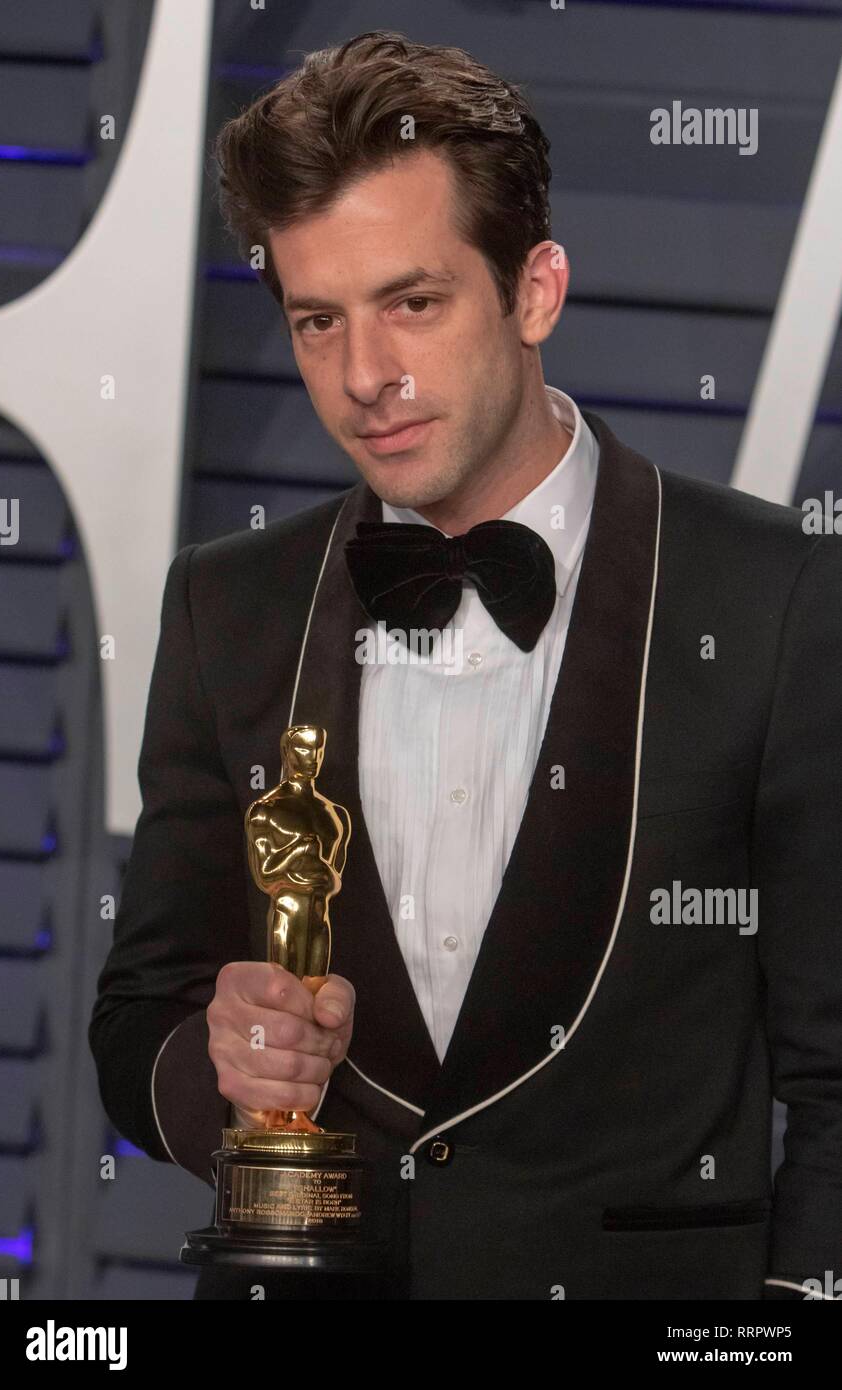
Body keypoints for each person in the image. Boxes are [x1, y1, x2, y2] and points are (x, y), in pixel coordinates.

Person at [89, 29, 842, 1301]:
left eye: (413, 303)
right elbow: (134, 1019)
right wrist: (218, 1063)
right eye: (316, 319)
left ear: (534, 290)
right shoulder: (227, 605)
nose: (365, 377)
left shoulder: (773, 594)